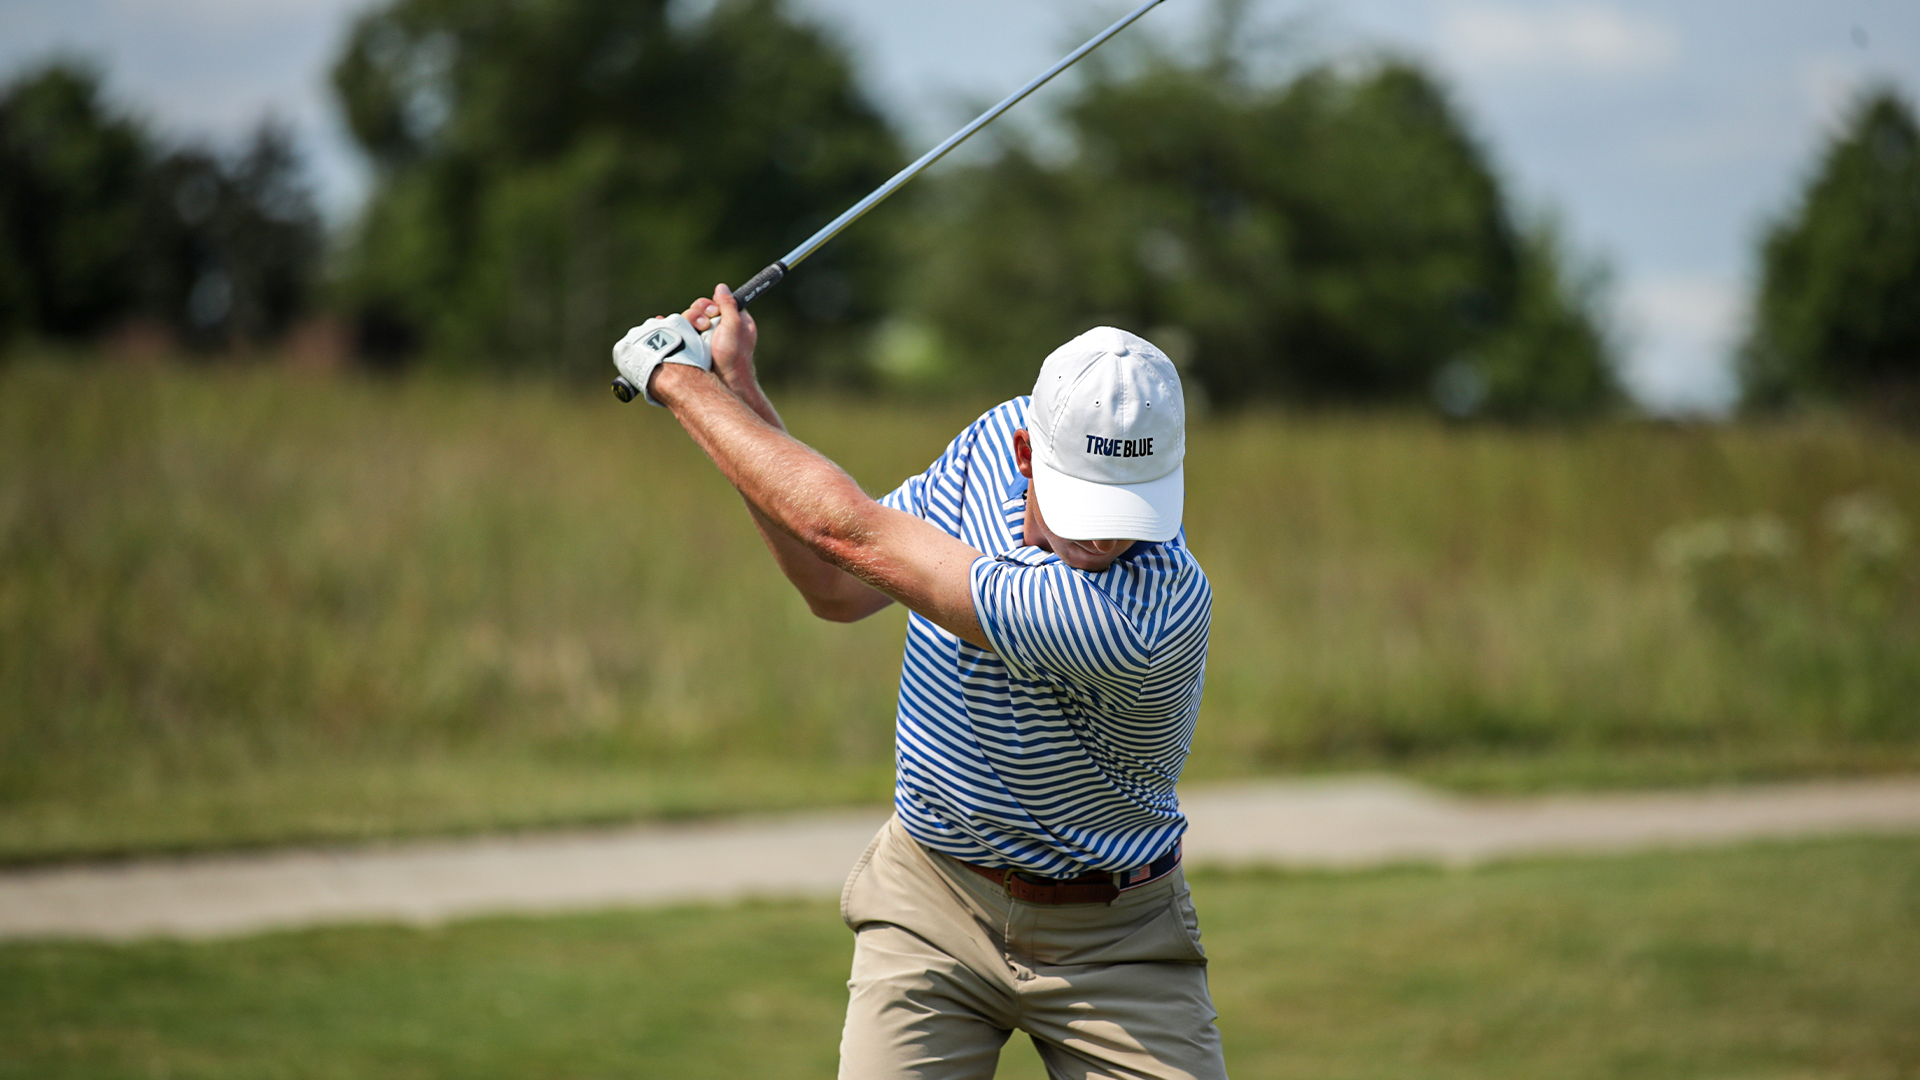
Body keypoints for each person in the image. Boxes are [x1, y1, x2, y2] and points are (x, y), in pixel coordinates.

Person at [615, 284, 1226, 1080]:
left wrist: (677, 381)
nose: (1110, 534)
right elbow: (837, 585)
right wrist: (738, 393)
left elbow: (847, 530)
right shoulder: (987, 448)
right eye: (1087, 501)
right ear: (1026, 452)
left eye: (1131, 507)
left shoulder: (1146, 616)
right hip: (931, 900)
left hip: (1116, 944)